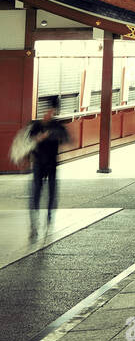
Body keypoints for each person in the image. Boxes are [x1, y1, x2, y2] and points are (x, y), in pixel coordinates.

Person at [27, 95, 70, 242]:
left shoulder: (57, 126)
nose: (49, 112)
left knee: (51, 192)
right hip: (39, 162)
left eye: (52, 110)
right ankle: (35, 223)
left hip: (51, 163)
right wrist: (38, 138)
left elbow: (66, 138)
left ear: (54, 111)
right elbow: (29, 139)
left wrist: (48, 135)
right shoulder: (36, 125)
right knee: (36, 193)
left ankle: (49, 218)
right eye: (47, 109)